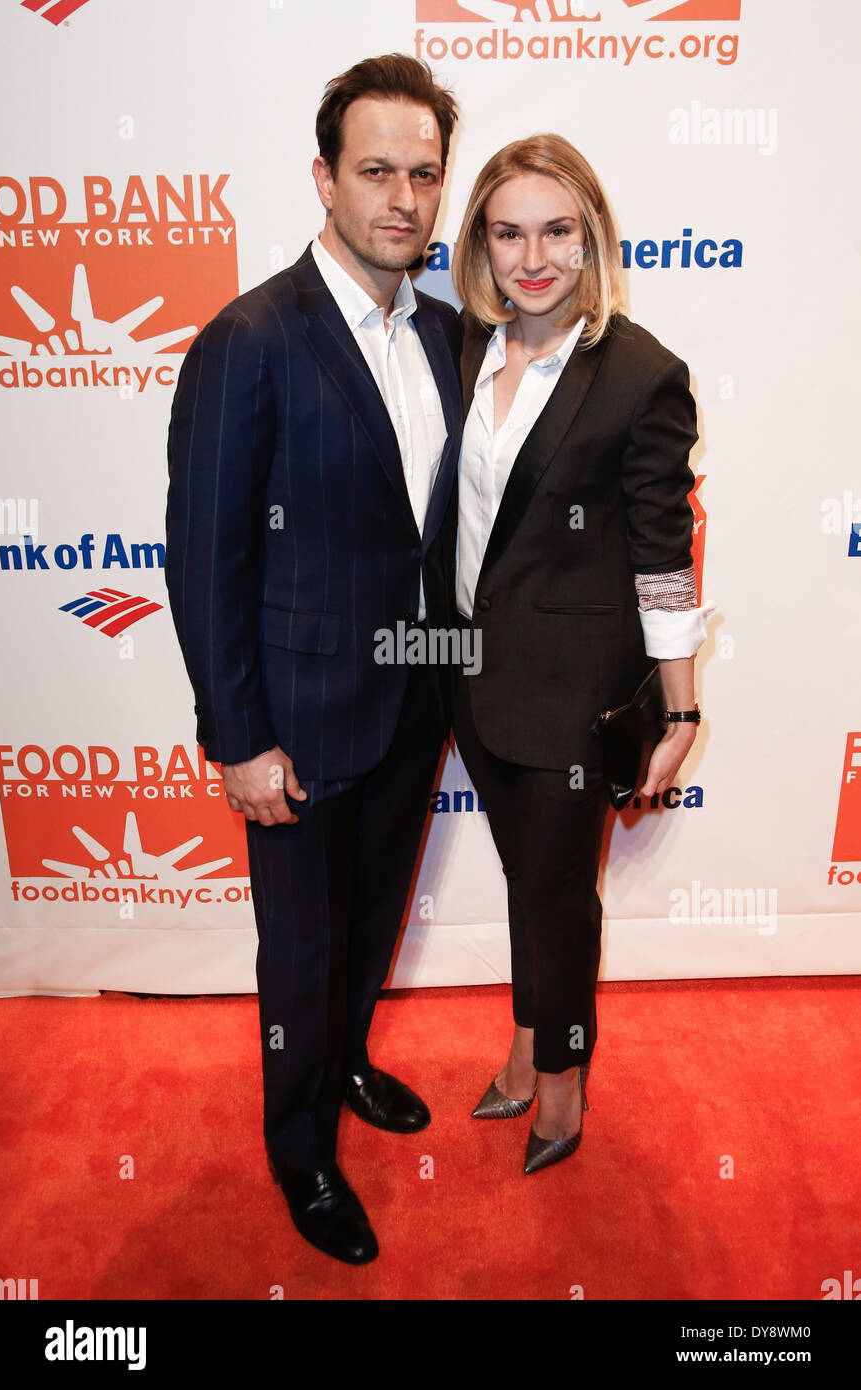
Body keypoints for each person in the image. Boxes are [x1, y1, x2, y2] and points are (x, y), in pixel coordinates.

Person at [165, 54, 462, 1263]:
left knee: (371, 922)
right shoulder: (251, 339)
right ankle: (300, 1154)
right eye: (376, 169)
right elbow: (205, 557)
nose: (402, 196)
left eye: (423, 173)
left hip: (411, 701)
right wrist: (237, 737)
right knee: (298, 950)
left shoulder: (448, 333)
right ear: (324, 179)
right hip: (292, 721)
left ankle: (344, 1060)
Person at [450, 134, 715, 1174]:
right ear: (480, 242)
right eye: (508, 231)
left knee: (559, 891)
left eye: (557, 230)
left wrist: (680, 709)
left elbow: (662, 551)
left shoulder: (639, 374)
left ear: (592, 237)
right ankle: (523, 1036)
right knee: (527, 876)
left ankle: (557, 1076)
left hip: (571, 691)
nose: (533, 257)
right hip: (461, 679)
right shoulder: (461, 346)